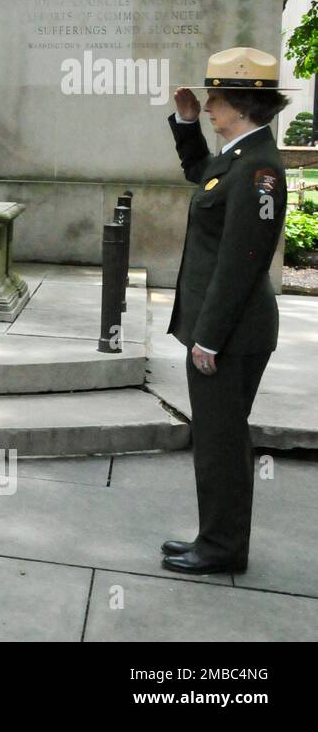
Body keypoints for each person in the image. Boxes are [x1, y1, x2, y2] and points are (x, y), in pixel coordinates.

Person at [163, 46, 290, 575]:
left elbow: (243, 262)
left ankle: (221, 548)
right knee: (219, 439)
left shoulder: (260, 167)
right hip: (226, 330)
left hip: (233, 334)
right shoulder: (238, 156)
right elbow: (202, 175)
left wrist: (209, 339)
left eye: (213, 99)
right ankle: (214, 537)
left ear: (238, 103)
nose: (208, 105)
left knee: (220, 444)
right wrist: (186, 125)